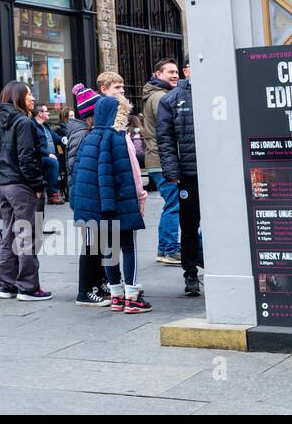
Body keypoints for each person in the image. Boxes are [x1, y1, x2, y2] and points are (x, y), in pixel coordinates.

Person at [71, 92, 151, 313]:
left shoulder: (89, 138)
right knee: (129, 247)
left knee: (109, 249)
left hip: (97, 207)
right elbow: (133, 173)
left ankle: (116, 294)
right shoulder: (119, 138)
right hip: (120, 201)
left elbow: (79, 175)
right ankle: (132, 296)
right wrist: (141, 197)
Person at [0, 81, 51, 301]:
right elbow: (27, 157)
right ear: (18, 98)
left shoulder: (2, 123)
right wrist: (36, 185)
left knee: (8, 234)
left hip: (5, 185)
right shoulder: (24, 122)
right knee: (27, 235)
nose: (33, 98)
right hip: (22, 186)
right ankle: (28, 286)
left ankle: (7, 285)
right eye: (29, 95)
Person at [157, 63, 201, 297]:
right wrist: (172, 173)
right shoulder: (171, 100)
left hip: (218, 173)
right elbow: (165, 140)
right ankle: (190, 274)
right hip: (188, 174)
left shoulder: (221, 92)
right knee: (190, 226)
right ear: (187, 70)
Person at [66, 83, 107, 306]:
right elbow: (76, 169)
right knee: (91, 245)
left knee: (97, 245)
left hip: (88, 198)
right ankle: (85, 291)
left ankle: (96, 283)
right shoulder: (82, 135)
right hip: (85, 198)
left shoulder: (87, 132)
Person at [141, 58, 181, 265]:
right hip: (161, 158)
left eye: (176, 72)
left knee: (172, 203)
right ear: (158, 74)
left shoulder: (160, 94)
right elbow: (171, 124)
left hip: (159, 157)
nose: (175, 75)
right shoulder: (160, 97)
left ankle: (165, 247)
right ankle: (170, 249)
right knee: (174, 204)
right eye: (170, 72)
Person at [34, 103, 63, 205]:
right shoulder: (33, 126)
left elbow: (57, 138)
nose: (48, 113)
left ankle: (63, 190)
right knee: (53, 162)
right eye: (46, 111)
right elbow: (34, 145)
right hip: (39, 157)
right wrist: (47, 154)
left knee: (61, 159)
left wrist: (65, 140)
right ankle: (52, 194)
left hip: (51, 156)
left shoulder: (46, 126)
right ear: (40, 114)